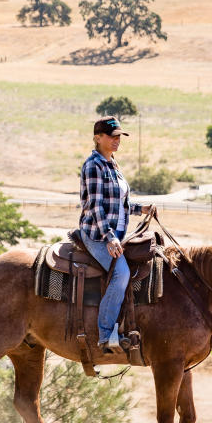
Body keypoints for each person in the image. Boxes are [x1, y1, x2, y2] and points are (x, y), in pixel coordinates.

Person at [78, 116, 136, 354]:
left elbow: (118, 202)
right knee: (121, 274)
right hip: (97, 235)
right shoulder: (94, 165)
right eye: (112, 136)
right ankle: (105, 335)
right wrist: (110, 237)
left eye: (119, 136)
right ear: (97, 137)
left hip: (118, 233)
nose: (116, 140)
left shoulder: (113, 164)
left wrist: (142, 208)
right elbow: (95, 206)